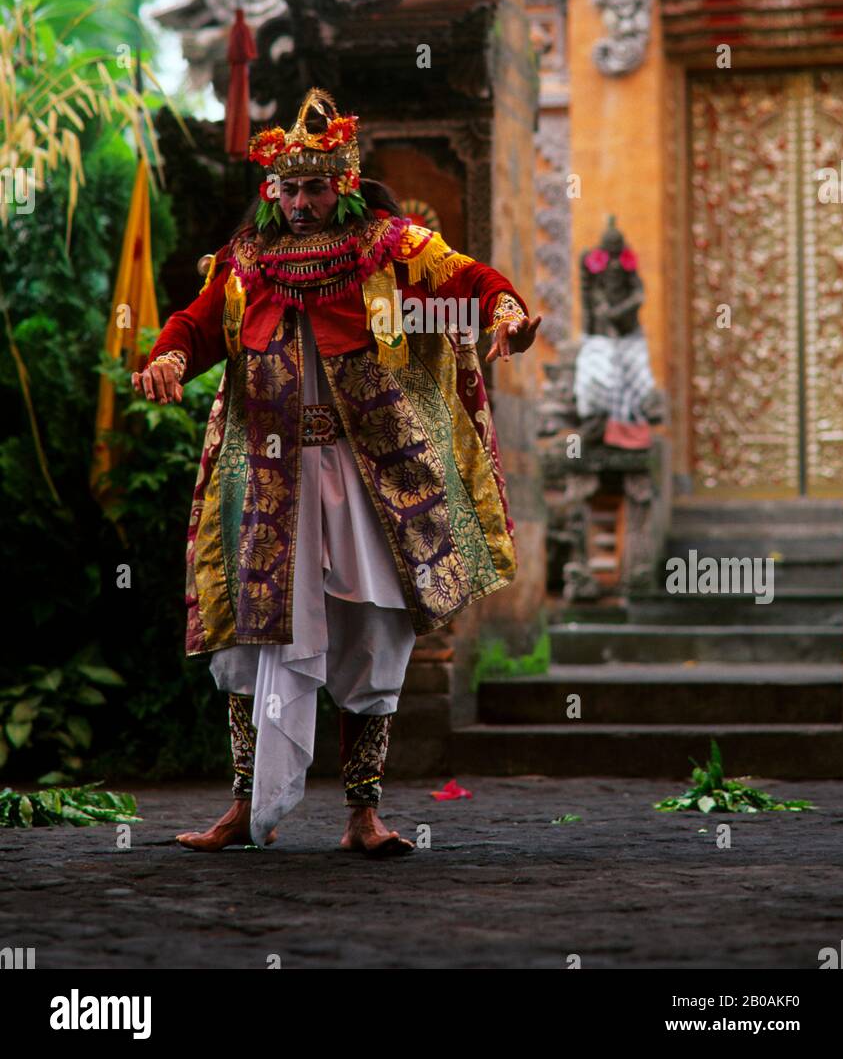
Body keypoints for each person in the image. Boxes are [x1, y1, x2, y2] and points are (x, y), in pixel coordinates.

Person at [132, 87, 541, 856]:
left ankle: (364, 815)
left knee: (372, 627)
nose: (300, 201)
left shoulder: (392, 248)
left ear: (344, 183)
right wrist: (170, 356)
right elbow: (197, 321)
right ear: (271, 190)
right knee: (250, 640)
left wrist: (508, 313)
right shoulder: (247, 262)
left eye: (314, 186)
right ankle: (242, 807)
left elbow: (470, 278)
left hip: (365, 476)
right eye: (287, 187)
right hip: (267, 478)